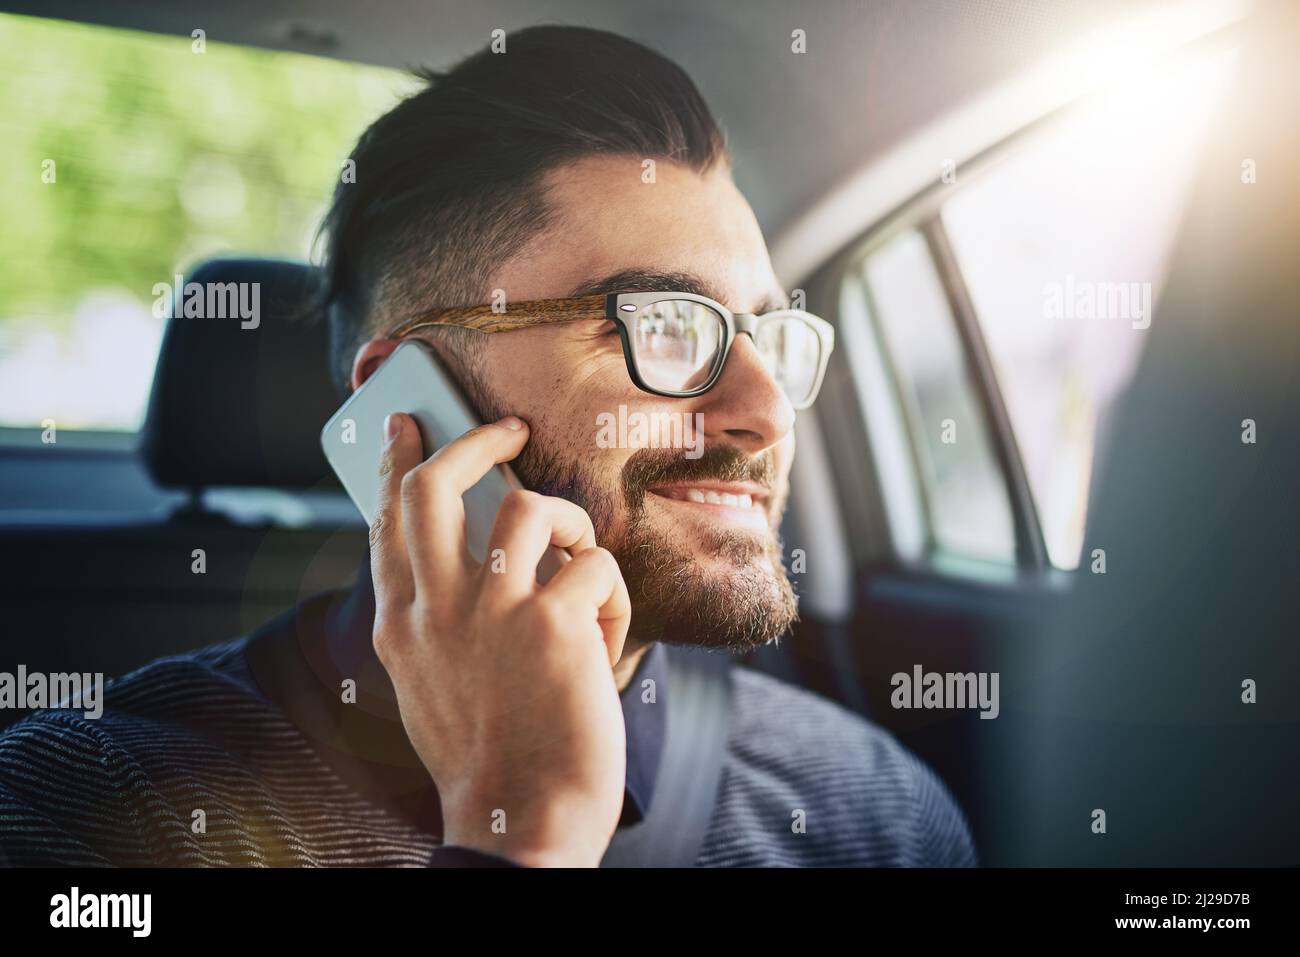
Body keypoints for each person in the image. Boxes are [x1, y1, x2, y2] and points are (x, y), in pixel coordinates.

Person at [0, 25, 975, 868]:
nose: (764, 406)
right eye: (666, 326)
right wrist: (525, 835)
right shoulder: (82, 809)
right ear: (405, 400)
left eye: (768, 335)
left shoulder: (875, 811)